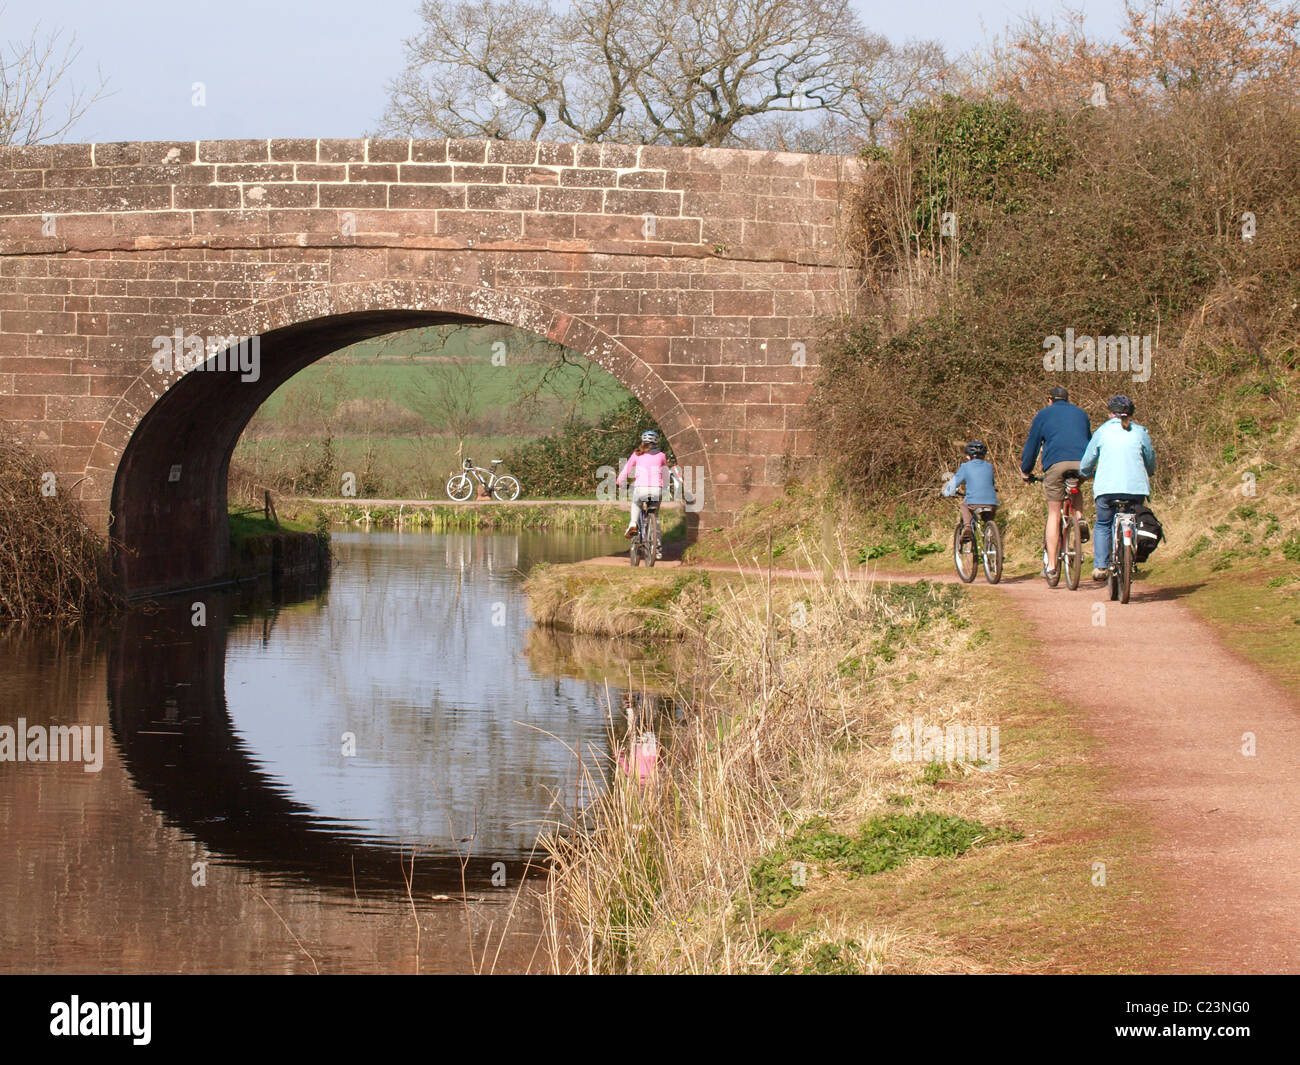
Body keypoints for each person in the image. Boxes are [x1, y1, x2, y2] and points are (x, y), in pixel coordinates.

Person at [1079, 395, 1156, 582]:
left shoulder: (1102, 432)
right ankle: (1131, 553)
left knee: (1104, 524)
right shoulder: (1140, 432)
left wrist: (1085, 472)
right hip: (1136, 489)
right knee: (1134, 519)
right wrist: (1149, 471)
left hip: (1107, 489)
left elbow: (1088, 460)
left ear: (1110, 413)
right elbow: (1150, 459)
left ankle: (1100, 566)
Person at [1020, 385, 1092, 580]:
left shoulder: (1043, 415)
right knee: (1074, 487)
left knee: (1054, 512)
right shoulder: (1081, 413)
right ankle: (1079, 517)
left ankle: (1051, 565)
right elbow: (1089, 439)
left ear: (1049, 400)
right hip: (1082, 462)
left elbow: (1032, 445)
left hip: (1057, 464)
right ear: (1067, 399)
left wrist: (1026, 471)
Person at [616, 430, 668, 539]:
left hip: (641, 488)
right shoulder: (661, 455)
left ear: (642, 441)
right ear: (656, 442)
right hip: (656, 489)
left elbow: (626, 469)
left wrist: (619, 482)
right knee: (655, 516)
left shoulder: (637, 454)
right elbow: (665, 473)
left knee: (636, 504)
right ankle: (657, 545)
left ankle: (633, 524)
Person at [942, 441, 998, 539]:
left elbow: (955, 482)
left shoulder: (965, 467)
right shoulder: (989, 466)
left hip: (974, 502)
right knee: (988, 518)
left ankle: (967, 527)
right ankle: (990, 535)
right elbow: (992, 483)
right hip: (992, 502)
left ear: (968, 456)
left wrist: (947, 492)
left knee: (964, 505)